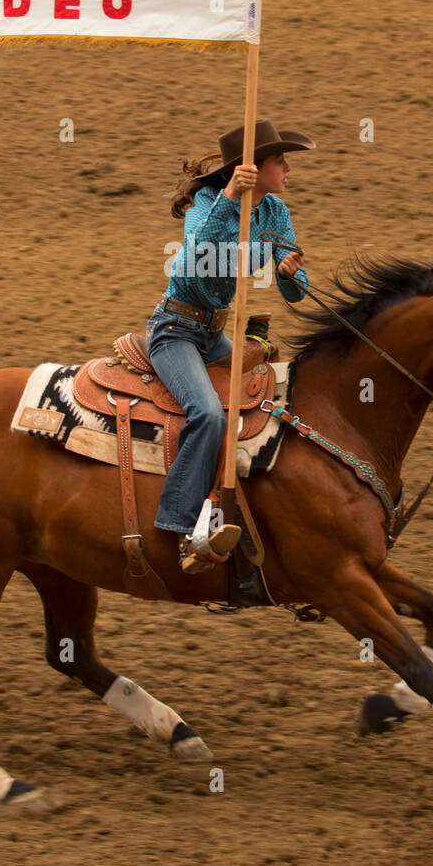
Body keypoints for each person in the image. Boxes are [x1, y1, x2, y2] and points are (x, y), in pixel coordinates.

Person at [146, 117, 315, 572]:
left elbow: (296, 287)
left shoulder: (275, 212)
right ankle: (181, 529)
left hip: (212, 334)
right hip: (175, 330)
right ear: (253, 167)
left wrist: (290, 273)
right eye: (280, 161)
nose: (287, 170)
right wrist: (228, 198)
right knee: (205, 413)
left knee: (270, 393)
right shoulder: (208, 202)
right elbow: (196, 256)